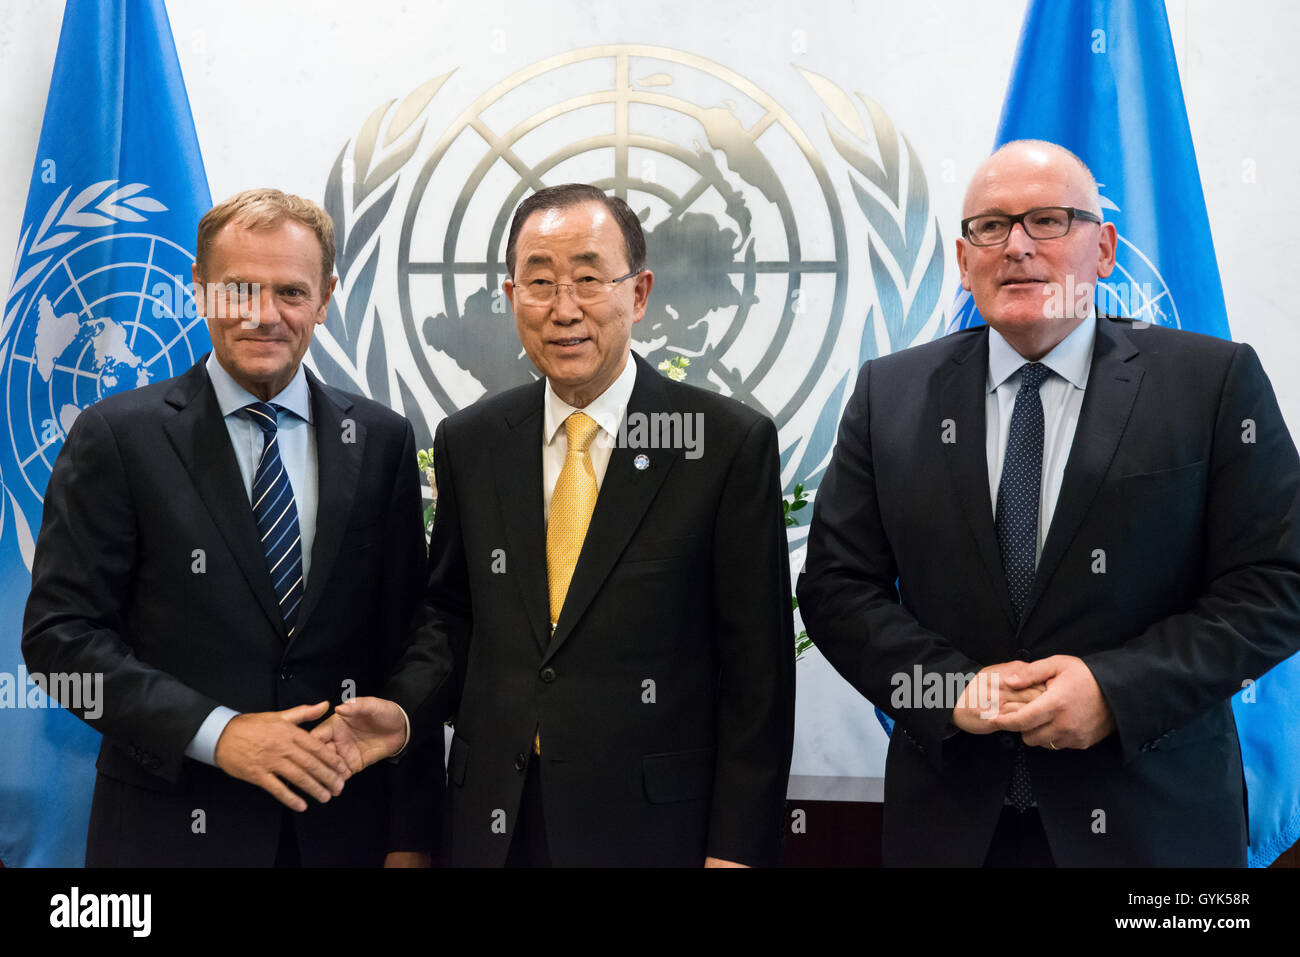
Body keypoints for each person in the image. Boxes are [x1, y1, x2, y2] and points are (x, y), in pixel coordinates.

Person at [797, 140, 1300, 866]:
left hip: (1152, 828)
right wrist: (948, 689)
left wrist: (1116, 691)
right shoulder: (890, 395)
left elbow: (1277, 582)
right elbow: (838, 589)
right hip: (954, 830)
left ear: (1103, 248)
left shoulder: (1211, 383)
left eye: (1049, 220)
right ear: (964, 260)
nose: (1018, 247)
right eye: (991, 227)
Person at [314, 183, 796, 867]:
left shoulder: (721, 443)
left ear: (639, 292)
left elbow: (759, 677)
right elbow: (451, 616)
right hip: (493, 823)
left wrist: (736, 853)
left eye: (589, 279)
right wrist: (404, 709)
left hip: (654, 832)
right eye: (539, 282)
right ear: (512, 298)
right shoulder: (473, 440)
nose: (564, 307)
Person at [22, 189, 439, 866]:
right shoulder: (116, 437)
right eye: (238, 290)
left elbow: (406, 642)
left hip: (342, 836)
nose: (262, 316)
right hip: (165, 838)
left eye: (290, 292)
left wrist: (412, 834)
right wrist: (219, 733)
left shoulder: (381, 440)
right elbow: (58, 642)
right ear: (199, 291)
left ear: (327, 296)